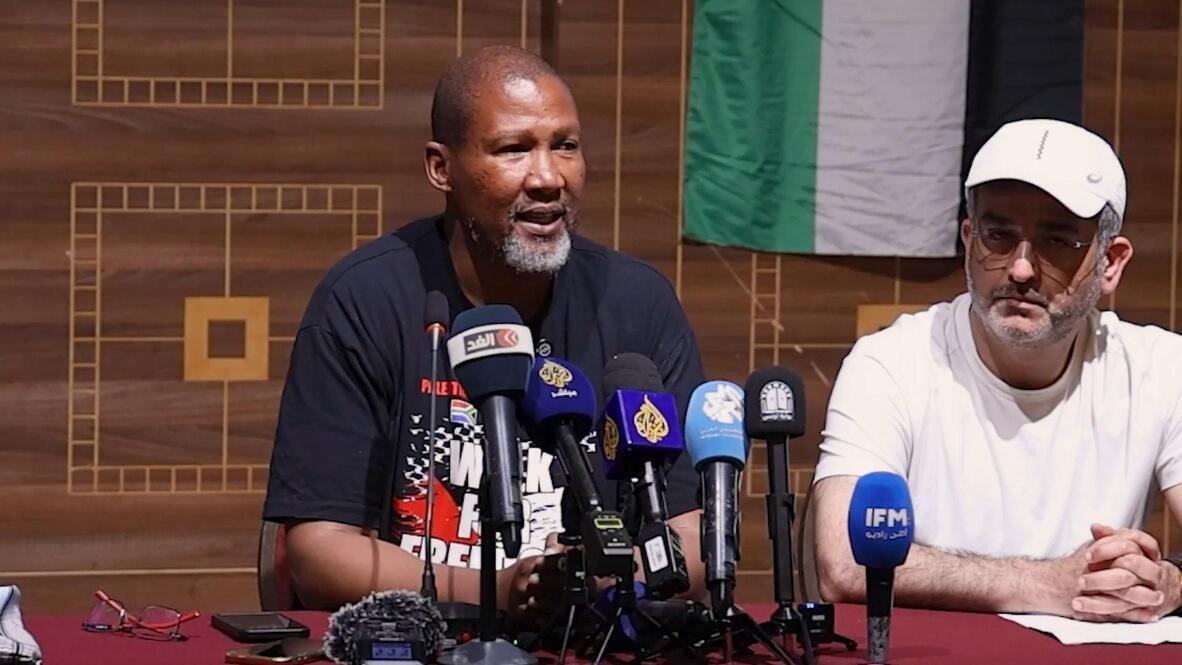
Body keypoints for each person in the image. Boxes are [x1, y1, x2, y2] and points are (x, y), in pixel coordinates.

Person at [262, 45, 707, 622]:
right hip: (423, 639)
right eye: (513, 149)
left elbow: (693, 536)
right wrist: (499, 592)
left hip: (593, 636)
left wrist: (593, 582)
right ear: (441, 169)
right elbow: (320, 553)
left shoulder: (638, 304)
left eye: (565, 146)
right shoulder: (365, 301)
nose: (548, 178)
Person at [811, 118, 1182, 623]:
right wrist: (1045, 584)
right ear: (969, 240)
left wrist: (1170, 583)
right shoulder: (890, 363)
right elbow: (844, 564)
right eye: (998, 236)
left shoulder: (1161, 369)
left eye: (1057, 241)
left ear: (1111, 263)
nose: (1021, 269)